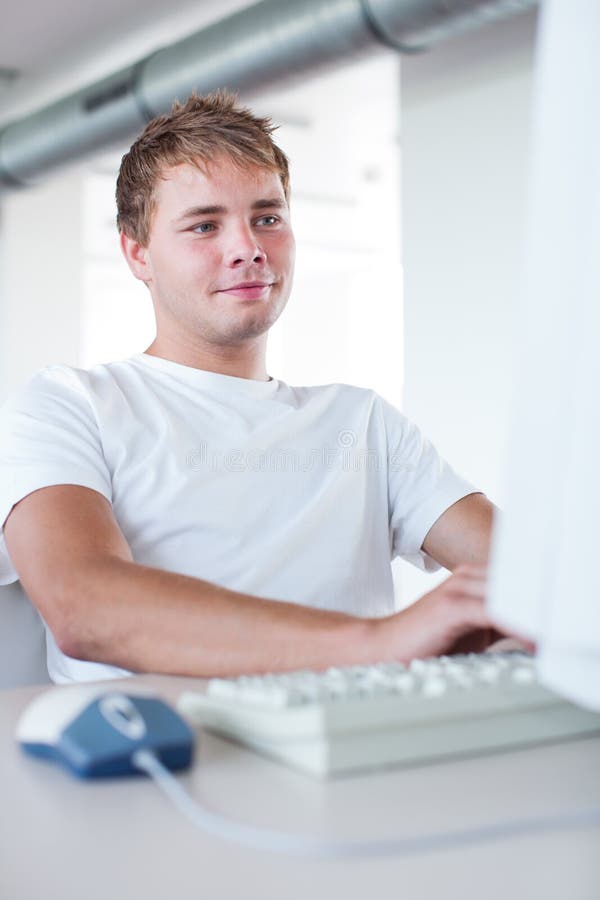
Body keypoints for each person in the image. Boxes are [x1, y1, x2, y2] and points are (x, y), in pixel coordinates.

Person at [0, 92, 507, 684]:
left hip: (348, 758)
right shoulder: (70, 404)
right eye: (204, 225)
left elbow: (527, 575)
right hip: (156, 762)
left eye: (267, 217)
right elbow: (83, 607)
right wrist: (383, 641)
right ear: (138, 254)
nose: (248, 248)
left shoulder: (363, 421)